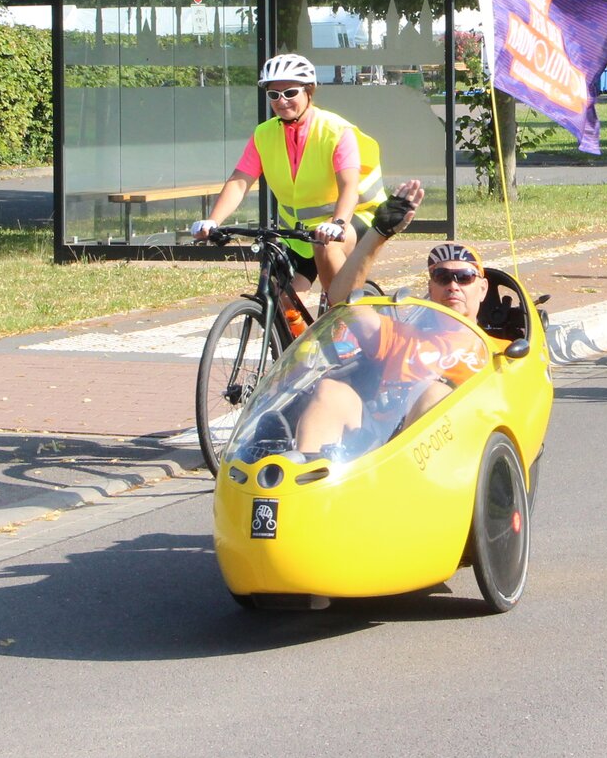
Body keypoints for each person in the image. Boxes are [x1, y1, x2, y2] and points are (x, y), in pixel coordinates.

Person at [291, 181, 495, 457]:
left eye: (465, 277)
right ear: (431, 287)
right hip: (378, 444)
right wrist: (378, 234)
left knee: (436, 395)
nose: (453, 285)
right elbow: (342, 300)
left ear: (482, 289)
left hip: (445, 453)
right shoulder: (402, 337)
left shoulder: (495, 349)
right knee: (330, 391)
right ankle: (307, 483)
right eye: (442, 277)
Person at [191, 53, 385, 300]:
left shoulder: (335, 131)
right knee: (281, 300)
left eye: (290, 93)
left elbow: (349, 187)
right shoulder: (264, 134)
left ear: (309, 92)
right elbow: (240, 181)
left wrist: (337, 224)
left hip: (352, 219)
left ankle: (347, 326)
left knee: (330, 264)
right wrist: (213, 220)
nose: (282, 101)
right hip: (300, 231)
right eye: (274, 94)